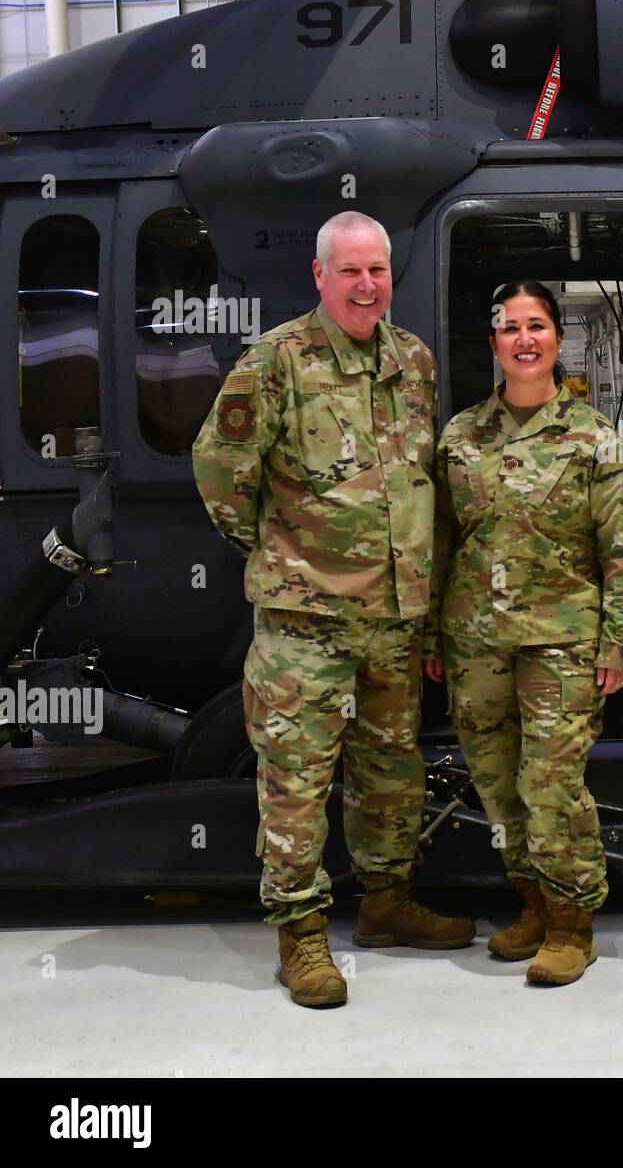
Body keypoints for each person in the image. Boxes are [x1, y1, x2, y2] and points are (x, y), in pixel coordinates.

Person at [193, 210, 474, 1010]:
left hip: (392, 616)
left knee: (391, 769)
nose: (365, 285)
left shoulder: (411, 359)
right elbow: (219, 467)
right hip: (304, 620)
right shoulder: (276, 362)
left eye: (377, 270)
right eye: (349, 271)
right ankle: (301, 933)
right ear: (320, 277)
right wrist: (282, 548)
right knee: (297, 779)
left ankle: (386, 903)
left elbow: (414, 480)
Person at [428, 280, 623, 986]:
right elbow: (439, 543)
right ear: (493, 343)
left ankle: (572, 921)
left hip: (564, 638)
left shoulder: (592, 435)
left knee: (550, 783)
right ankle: (532, 902)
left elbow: (622, 547)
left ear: (557, 338)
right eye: (509, 328)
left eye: (537, 326)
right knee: (495, 785)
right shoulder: (461, 436)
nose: (524, 339)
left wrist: (617, 642)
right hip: (475, 639)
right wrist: (434, 636)